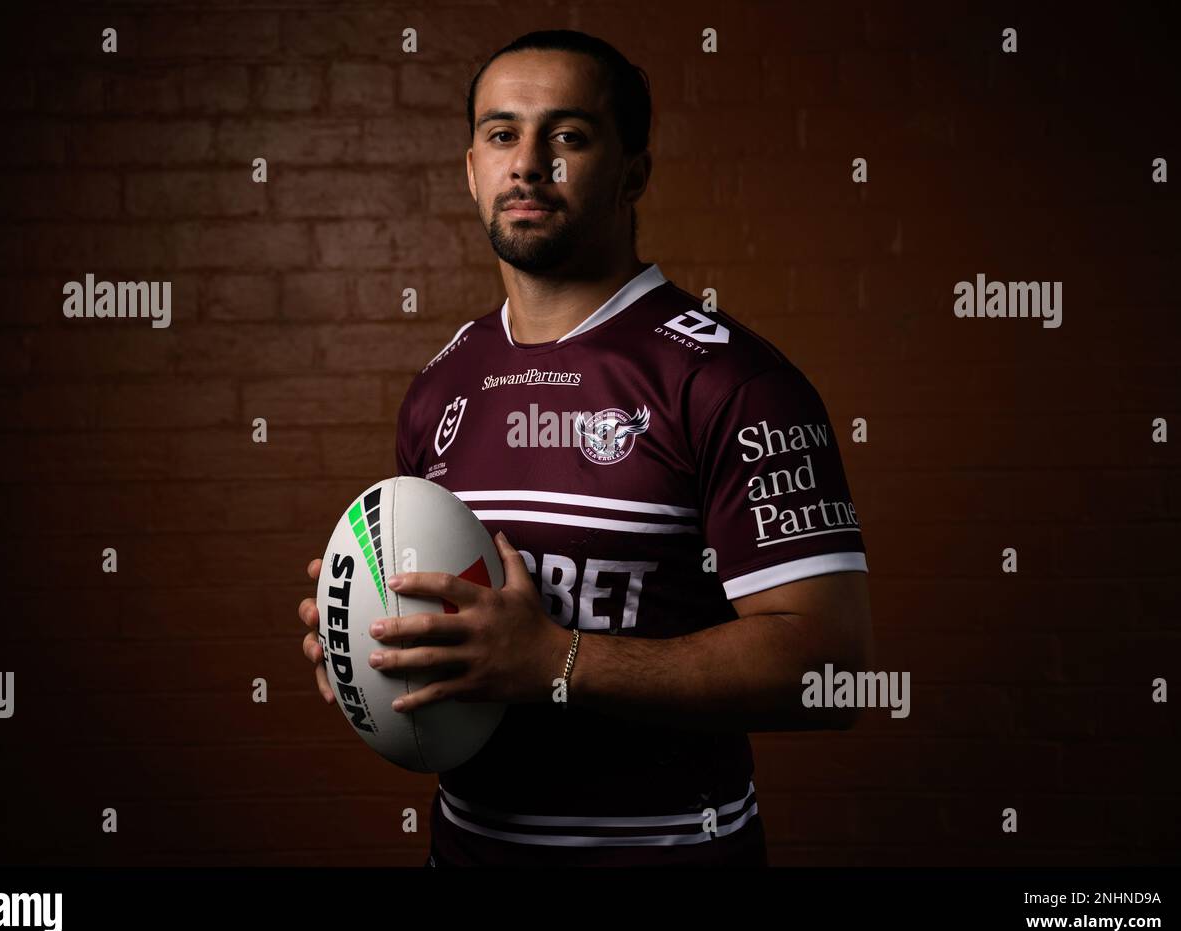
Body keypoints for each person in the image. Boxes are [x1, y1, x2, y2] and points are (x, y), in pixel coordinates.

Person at [297, 29, 873, 866]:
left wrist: (556, 661)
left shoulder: (729, 381)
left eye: (567, 136)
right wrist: (371, 644)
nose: (528, 163)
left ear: (633, 173)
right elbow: (451, 658)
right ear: (471, 171)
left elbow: (836, 670)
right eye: (502, 135)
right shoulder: (441, 386)